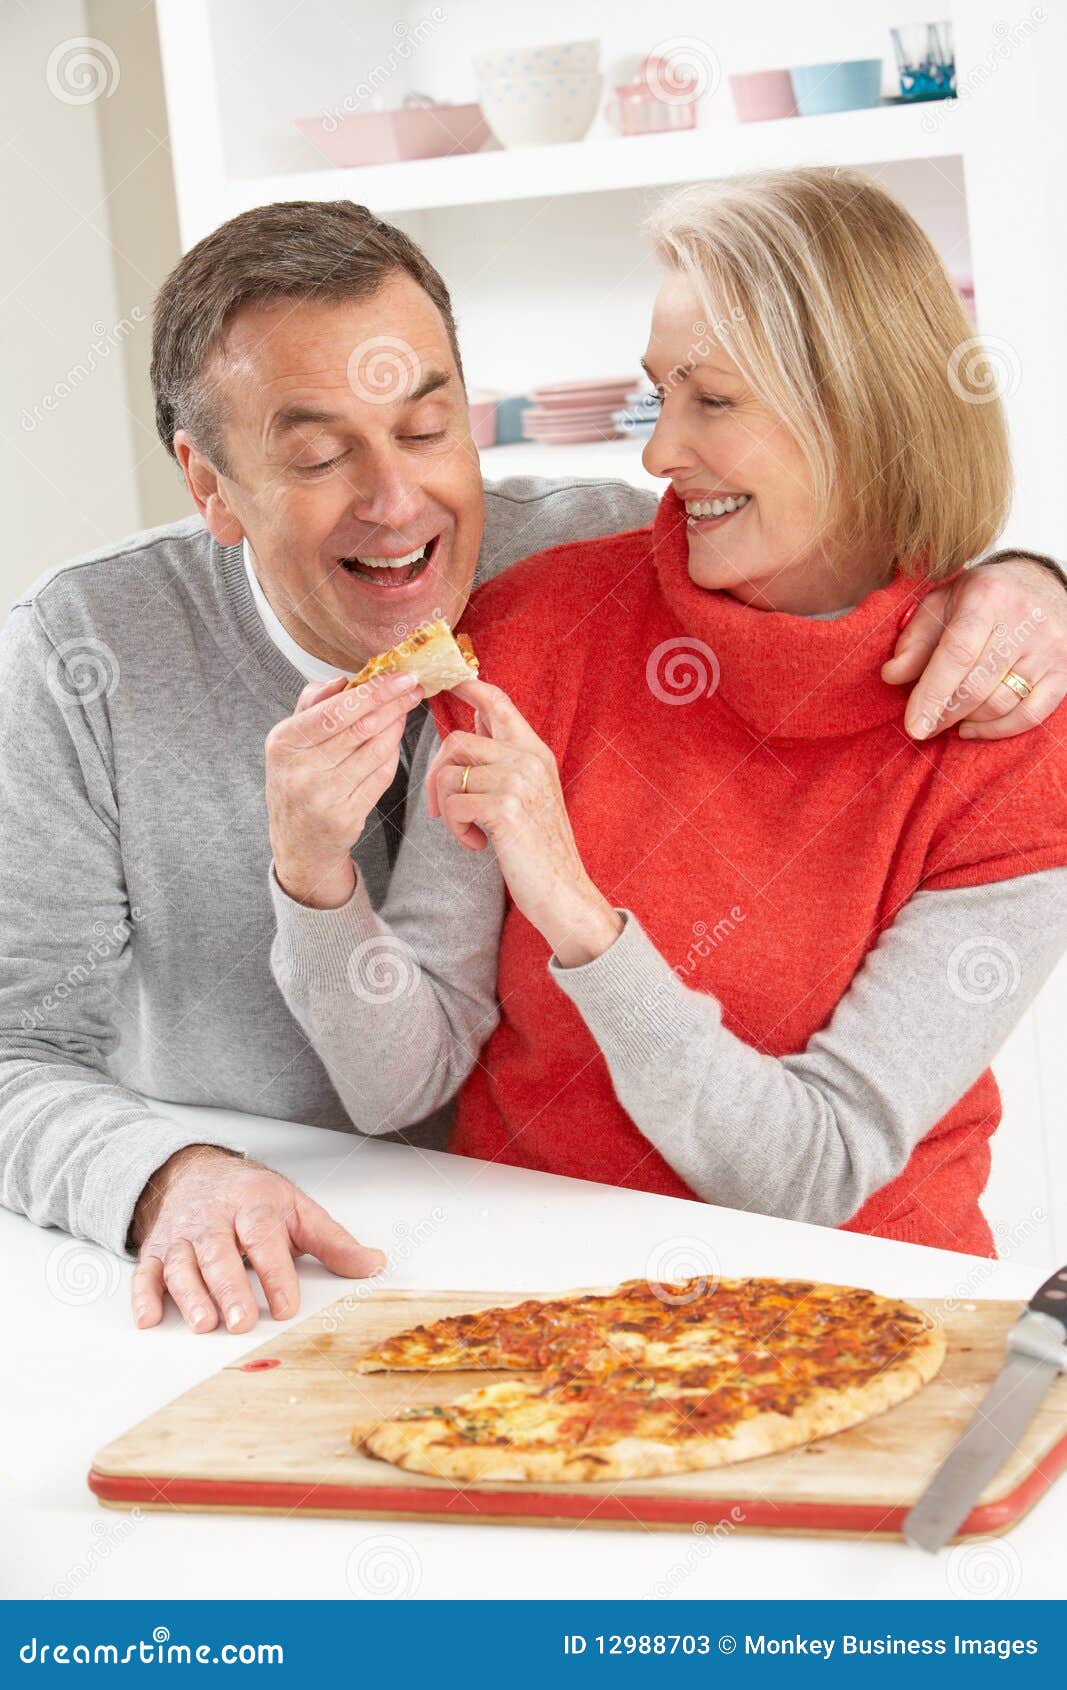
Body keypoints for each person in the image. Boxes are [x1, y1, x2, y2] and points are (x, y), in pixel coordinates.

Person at [0, 202, 1063, 1334]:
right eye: (316, 456)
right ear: (209, 485)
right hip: (362, 1270)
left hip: (839, 1307)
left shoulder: (570, 567)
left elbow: (848, 552)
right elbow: (24, 1048)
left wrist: (1034, 580)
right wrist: (173, 1163)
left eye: (425, 430)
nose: (395, 503)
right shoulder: (91, 650)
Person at [271, 169, 1067, 1259]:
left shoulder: (1007, 731)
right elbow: (397, 1080)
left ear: (863, 410)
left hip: (861, 1306)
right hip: (528, 1285)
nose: (654, 455)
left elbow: (811, 1170)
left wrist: (576, 912)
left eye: (714, 401)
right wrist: (313, 876)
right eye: (657, 399)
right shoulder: (535, 628)